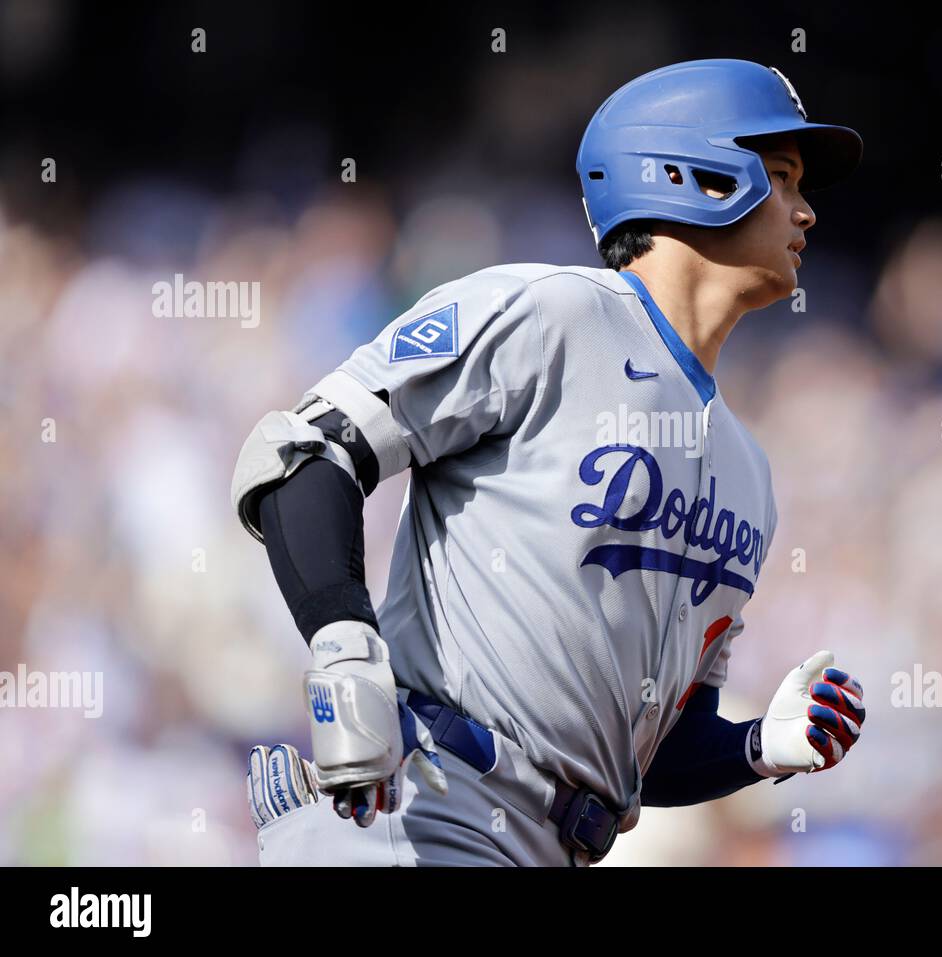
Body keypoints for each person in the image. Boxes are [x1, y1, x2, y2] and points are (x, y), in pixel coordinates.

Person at [233, 58, 866, 867]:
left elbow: (649, 752)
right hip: (433, 807)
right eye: (781, 177)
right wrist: (341, 636)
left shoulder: (749, 471)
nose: (806, 210)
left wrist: (754, 745)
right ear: (696, 176)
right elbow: (305, 452)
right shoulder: (552, 314)